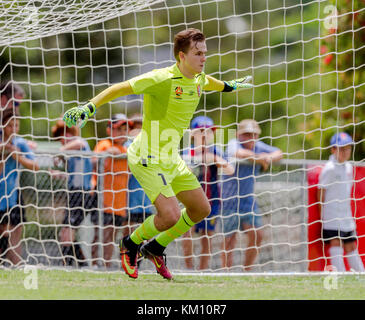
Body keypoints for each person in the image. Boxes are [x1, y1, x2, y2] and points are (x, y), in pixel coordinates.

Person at [63, 28, 253, 280]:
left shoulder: (199, 79)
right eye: (198, 54)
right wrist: (89, 106)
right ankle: (130, 244)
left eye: (205, 53)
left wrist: (232, 86)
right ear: (181, 57)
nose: (203, 58)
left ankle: (155, 247)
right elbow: (120, 87)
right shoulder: (161, 78)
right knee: (171, 215)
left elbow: (217, 84)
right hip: (146, 156)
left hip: (170, 158)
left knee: (201, 209)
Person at [221, 119, 283, 271]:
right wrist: (260, 158)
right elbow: (238, 153)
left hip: (248, 200)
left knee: (257, 235)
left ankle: (246, 271)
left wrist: (267, 158)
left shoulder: (258, 146)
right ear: (239, 134)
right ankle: (226, 273)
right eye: (247, 134)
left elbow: (279, 153)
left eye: (254, 134)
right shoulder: (233, 143)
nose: (251, 137)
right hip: (230, 200)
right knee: (230, 240)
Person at [182, 116, 234, 270]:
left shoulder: (216, 151)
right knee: (187, 234)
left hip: (212, 199)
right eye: (201, 131)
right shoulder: (187, 152)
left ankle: (202, 270)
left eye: (209, 131)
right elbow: (183, 171)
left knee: (207, 237)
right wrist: (197, 160)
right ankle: (189, 268)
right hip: (189, 199)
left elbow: (230, 170)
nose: (206, 135)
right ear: (192, 134)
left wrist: (215, 159)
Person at [317, 132, 364, 272]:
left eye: (348, 148)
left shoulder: (349, 167)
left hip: (346, 215)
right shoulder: (330, 168)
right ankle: (340, 274)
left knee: (351, 245)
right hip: (332, 215)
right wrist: (322, 215)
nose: (345, 152)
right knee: (336, 243)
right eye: (341, 148)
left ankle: (361, 274)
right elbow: (321, 191)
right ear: (333, 149)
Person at [52, 120, 96, 267]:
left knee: (66, 232)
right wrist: (61, 174)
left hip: (82, 194)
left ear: (69, 134)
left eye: (63, 138)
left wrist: (61, 151)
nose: (62, 142)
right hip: (74, 193)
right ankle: (82, 263)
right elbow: (75, 176)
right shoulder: (71, 154)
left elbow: (80, 142)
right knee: (66, 233)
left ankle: (68, 264)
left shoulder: (80, 144)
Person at [91, 113, 131, 269]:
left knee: (112, 236)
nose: (122, 132)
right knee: (101, 234)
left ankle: (106, 264)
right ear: (109, 130)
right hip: (104, 200)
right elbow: (95, 159)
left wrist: (120, 153)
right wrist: (110, 152)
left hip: (120, 203)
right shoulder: (104, 144)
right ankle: (95, 264)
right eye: (118, 129)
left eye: (124, 129)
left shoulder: (127, 149)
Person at [0, 111, 39, 266]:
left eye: (16, 125)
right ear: (3, 125)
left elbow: (35, 166)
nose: (13, 128)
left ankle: (18, 267)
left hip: (12, 196)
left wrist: (18, 156)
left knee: (13, 236)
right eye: (10, 125)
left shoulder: (20, 144)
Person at [124, 113, 154, 235]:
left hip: (146, 200)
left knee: (146, 235)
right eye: (136, 127)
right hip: (128, 200)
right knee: (128, 233)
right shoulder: (127, 146)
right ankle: (126, 254)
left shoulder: (151, 147)